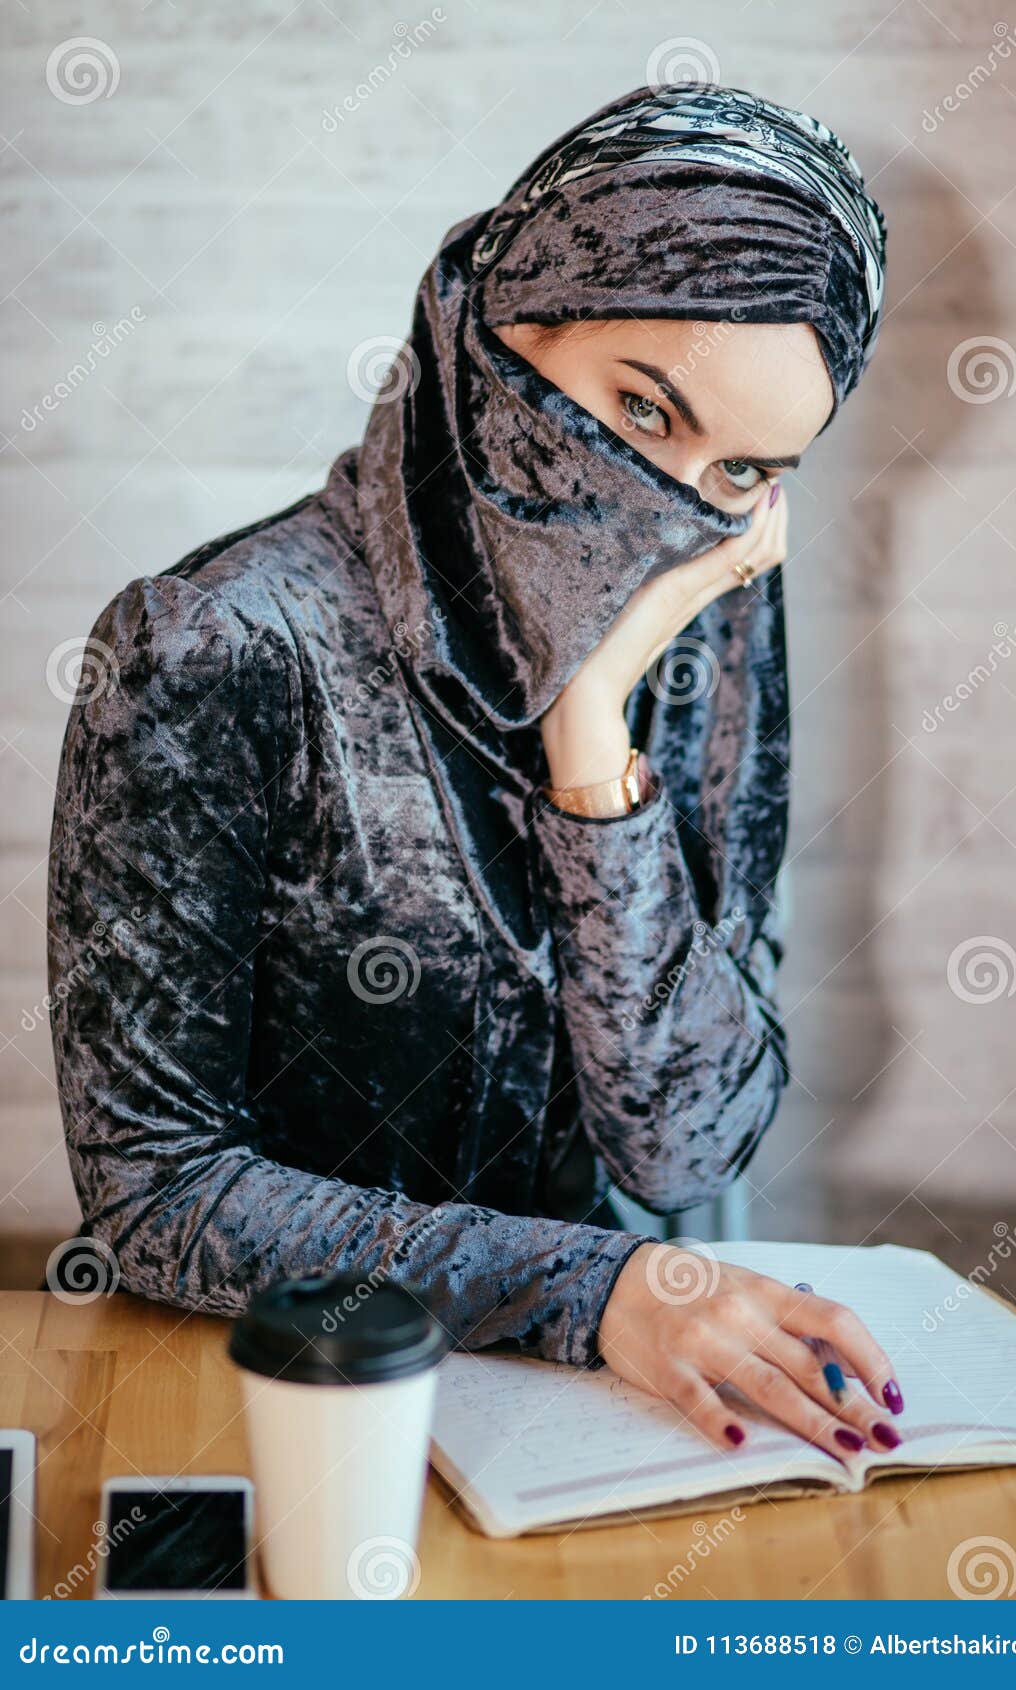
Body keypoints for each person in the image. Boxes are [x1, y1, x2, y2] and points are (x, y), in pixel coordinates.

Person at [47, 84, 905, 1461]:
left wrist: (591, 748)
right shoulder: (213, 643)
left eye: (740, 466)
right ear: (500, 329)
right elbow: (155, 1190)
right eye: (639, 407)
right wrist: (594, 1286)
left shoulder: (704, 626)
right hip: (260, 1418)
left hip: (590, 1438)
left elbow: (686, 1149)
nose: (672, 500)